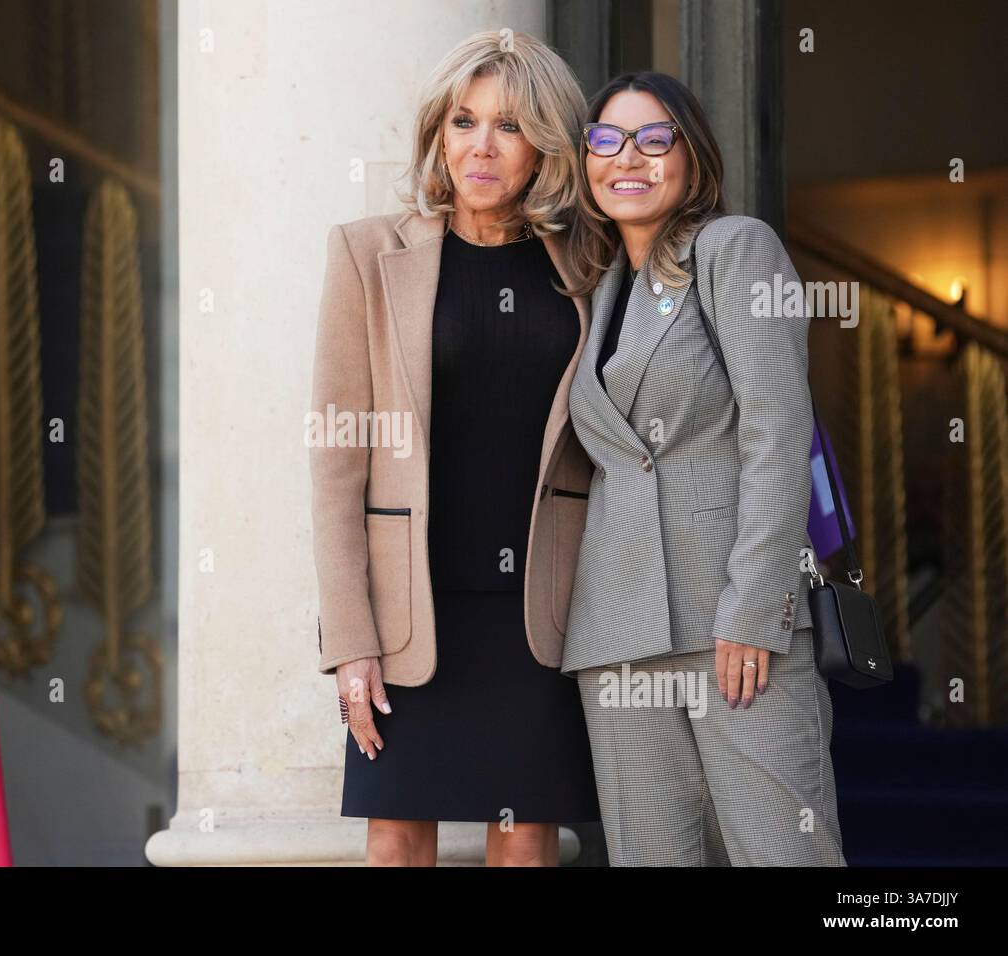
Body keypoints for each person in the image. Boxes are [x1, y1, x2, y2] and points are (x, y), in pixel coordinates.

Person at [308, 30, 598, 866]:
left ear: (545, 144)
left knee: (528, 836)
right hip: (410, 607)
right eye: (464, 121)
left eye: (509, 127)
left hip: (542, 602)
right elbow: (336, 465)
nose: (481, 146)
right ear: (439, 131)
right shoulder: (367, 254)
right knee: (397, 833)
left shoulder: (588, 260)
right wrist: (349, 639)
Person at [561, 71, 845, 865]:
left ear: (692, 156)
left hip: (732, 621)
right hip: (616, 632)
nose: (630, 158)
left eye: (656, 140)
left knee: (784, 853)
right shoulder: (599, 286)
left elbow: (777, 434)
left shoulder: (734, 247)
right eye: (607, 141)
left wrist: (755, 607)